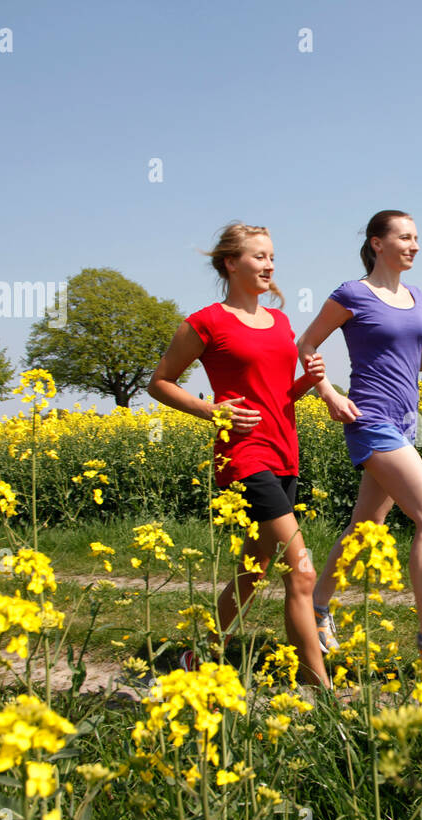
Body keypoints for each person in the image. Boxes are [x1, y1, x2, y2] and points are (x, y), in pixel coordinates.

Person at [297, 210, 422, 664]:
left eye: (417, 237)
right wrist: (328, 393)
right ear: (377, 243)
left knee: (367, 527)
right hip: (370, 419)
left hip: (404, 422)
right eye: (405, 237)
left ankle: (315, 607)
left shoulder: (417, 297)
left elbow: (412, 363)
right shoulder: (351, 295)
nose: (415, 245)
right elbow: (306, 345)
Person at [147, 221, 331, 689]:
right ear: (231, 263)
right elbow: (160, 382)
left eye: (272, 257)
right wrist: (212, 411)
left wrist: (308, 382)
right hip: (243, 457)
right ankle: (319, 691)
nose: (269, 264)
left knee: (255, 569)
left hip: (284, 452)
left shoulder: (281, 322)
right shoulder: (206, 321)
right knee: (301, 572)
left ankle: (199, 654)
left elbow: (277, 396)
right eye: (258, 256)